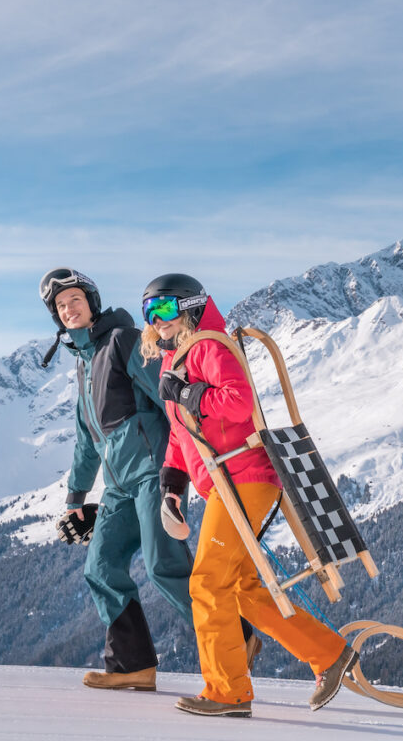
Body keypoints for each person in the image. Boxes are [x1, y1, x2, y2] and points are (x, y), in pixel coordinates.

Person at [140, 272, 359, 718]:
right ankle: (330, 654)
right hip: (222, 483)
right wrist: (172, 485)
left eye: (164, 308)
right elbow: (182, 436)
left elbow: (237, 403)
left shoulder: (210, 346)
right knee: (241, 589)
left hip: (244, 477)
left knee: (206, 582)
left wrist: (188, 393)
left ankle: (227, 692)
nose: (156, 319)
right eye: (149, 311)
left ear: (191, 306)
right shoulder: (173, 361)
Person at [38, 267, 196, 692]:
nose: (69, 309)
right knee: (101, 566)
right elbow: (87, 441)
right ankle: (132, 665)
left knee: (165, 564)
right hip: (118, 486)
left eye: (75, 300)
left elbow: (168, 398)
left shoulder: (123, 340)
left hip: (153, 472)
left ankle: (235, 639)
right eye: (60, 306)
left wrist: (182, 469)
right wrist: (76, 498)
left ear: (91, 301)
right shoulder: (84, 364)